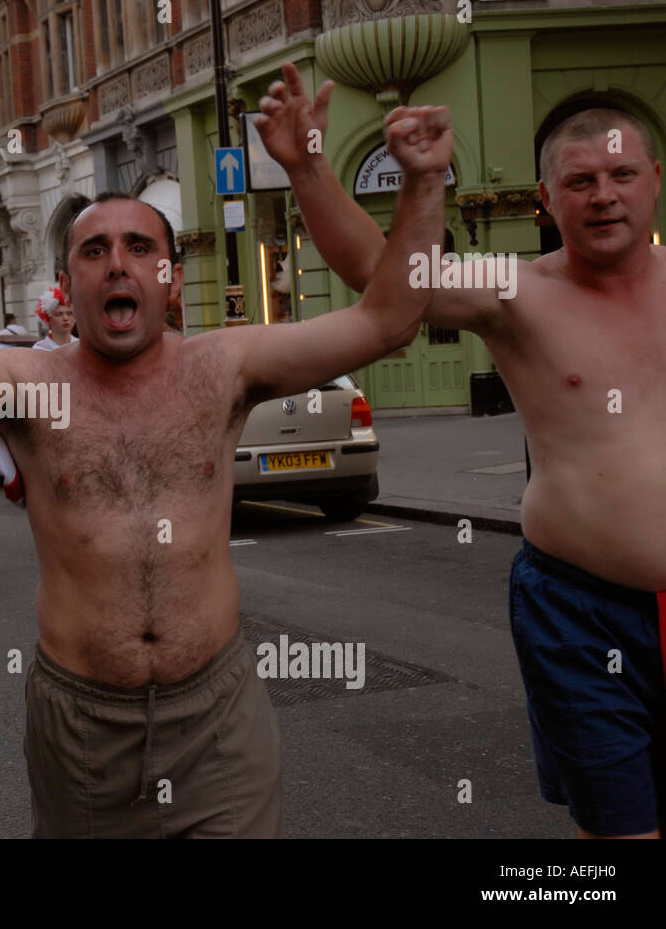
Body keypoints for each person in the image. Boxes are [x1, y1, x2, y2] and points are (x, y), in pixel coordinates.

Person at [0, 98, 451, 836]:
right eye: (94, 252)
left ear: (170, 279)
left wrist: (424, 181)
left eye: (140, 248)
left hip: (219, 727)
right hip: (84, 733)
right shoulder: (28, 388)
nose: (118, 264)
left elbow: (389, 320)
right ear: (69, 285)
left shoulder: (226, 368)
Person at [255, 62, 666, 839]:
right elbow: (382, 276)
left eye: (621, 174)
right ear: (547, 199)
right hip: (583, 610)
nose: (603, 194)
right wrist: (310, 166)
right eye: (580, 181)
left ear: (654, 179)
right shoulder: (515, 291)